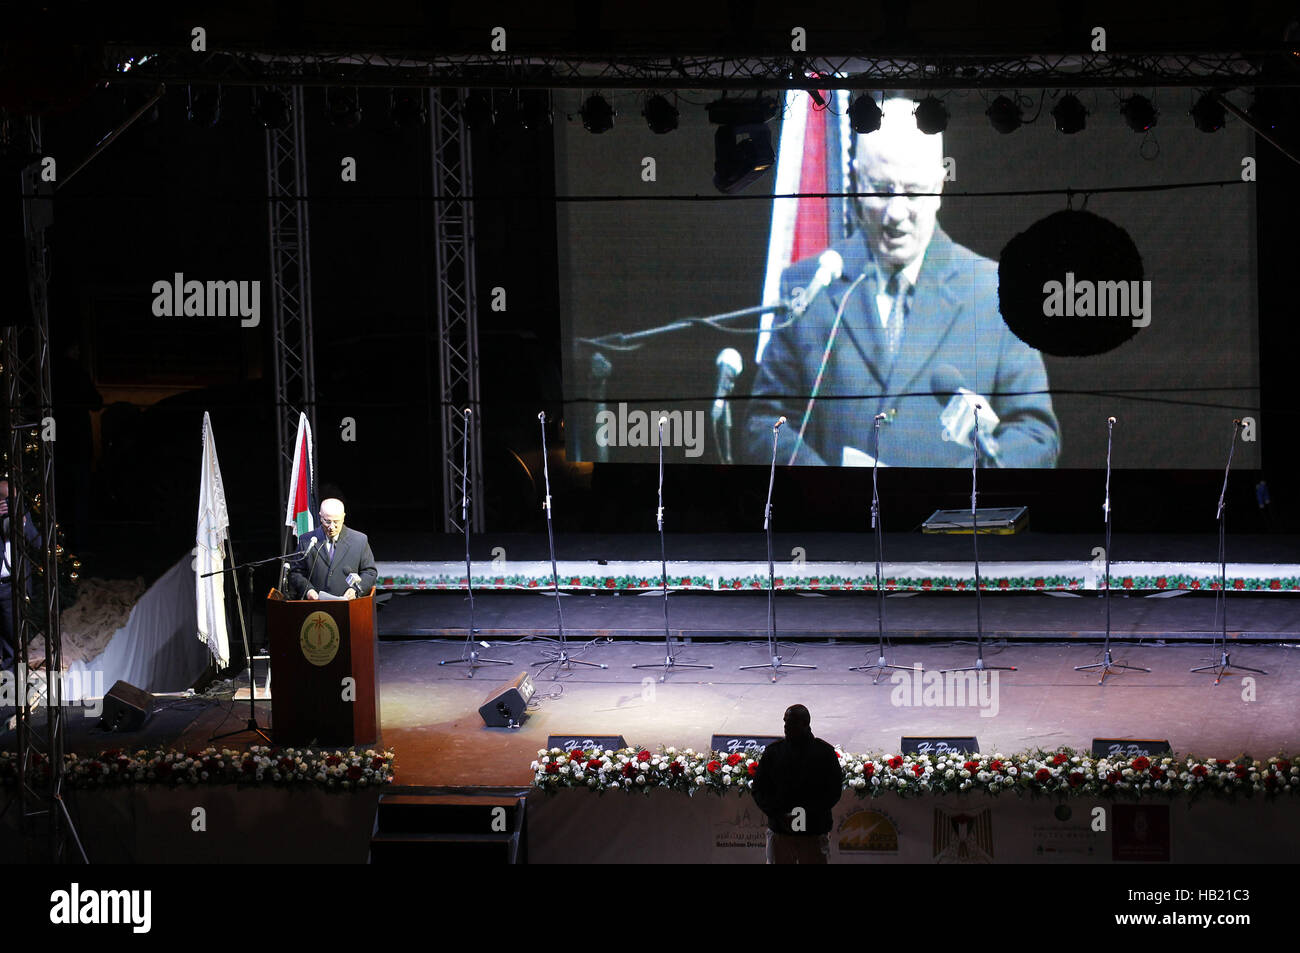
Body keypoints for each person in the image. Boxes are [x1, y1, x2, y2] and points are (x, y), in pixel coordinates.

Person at [744, 96, 1060, 468]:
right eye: (880, 190)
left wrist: (954, 490)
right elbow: (764, 425)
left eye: (912, 192)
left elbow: (1035, 435)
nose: (896, 214)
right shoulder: (809, 286)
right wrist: (828, 488)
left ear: (940, 185)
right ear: (858, 180)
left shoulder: (995, 293)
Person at [750, 704, 845, 864]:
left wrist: (806, 816)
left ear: (806, 724)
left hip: (813, 833)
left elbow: (833, 792)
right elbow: (759, 789)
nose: (786, 726)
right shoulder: (773, 752)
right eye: (785, 721)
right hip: (780, 832)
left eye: (792, 722)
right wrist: (779, 815)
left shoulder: (825, 753)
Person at [287, 498, 377, 601]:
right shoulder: (307, 541)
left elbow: (370, 573)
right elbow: (296, 572)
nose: (331, 527)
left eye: (336, 522)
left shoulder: (359, 541)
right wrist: (308, 590)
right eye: (327, 521)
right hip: (315, 607)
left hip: (349, 606)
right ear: (320, 517)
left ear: (343, 517)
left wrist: (355, 590)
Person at [0, 478, 42, 669]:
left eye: (12, 499)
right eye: (4, 499)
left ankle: (8, 695)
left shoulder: (21, 513)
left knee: (12, 645)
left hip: (11, 588)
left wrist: (23, 522)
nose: (8, 504)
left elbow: (38, 543)